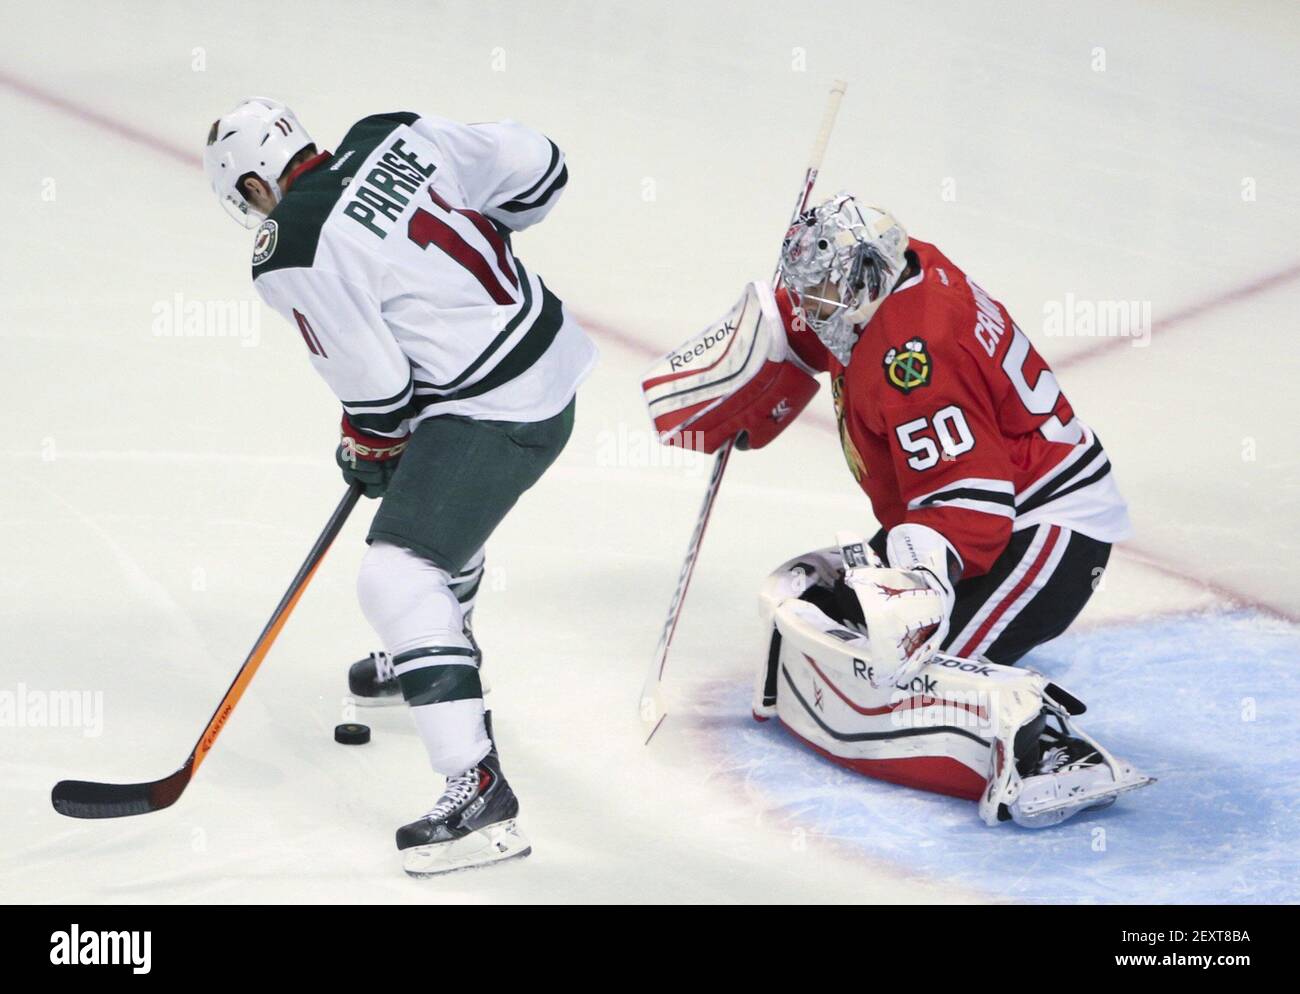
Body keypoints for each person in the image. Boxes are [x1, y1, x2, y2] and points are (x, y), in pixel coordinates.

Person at [641, 194, 1150, 826]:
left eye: (823, 289)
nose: (810, 304)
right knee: (832, 610)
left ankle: (1048, 749)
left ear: (861, 279)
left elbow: (969, 505)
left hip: (1046, 532)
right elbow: (802, 325)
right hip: (995, 503)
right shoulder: (891, 277)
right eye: (809, 288)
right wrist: (743, 364)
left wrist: (918, 590)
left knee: (899, 677)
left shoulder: (916, 356)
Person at [203, 96, 596, 873]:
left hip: (499, 407)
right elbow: (538, 167)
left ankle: (477, 795)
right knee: (427, 497)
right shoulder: (390, 131)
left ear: (253, 188)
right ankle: (434, 649)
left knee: (394, 571)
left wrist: (367, 444)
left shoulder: (290, 245)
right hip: (546, 355)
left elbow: (379, 393)